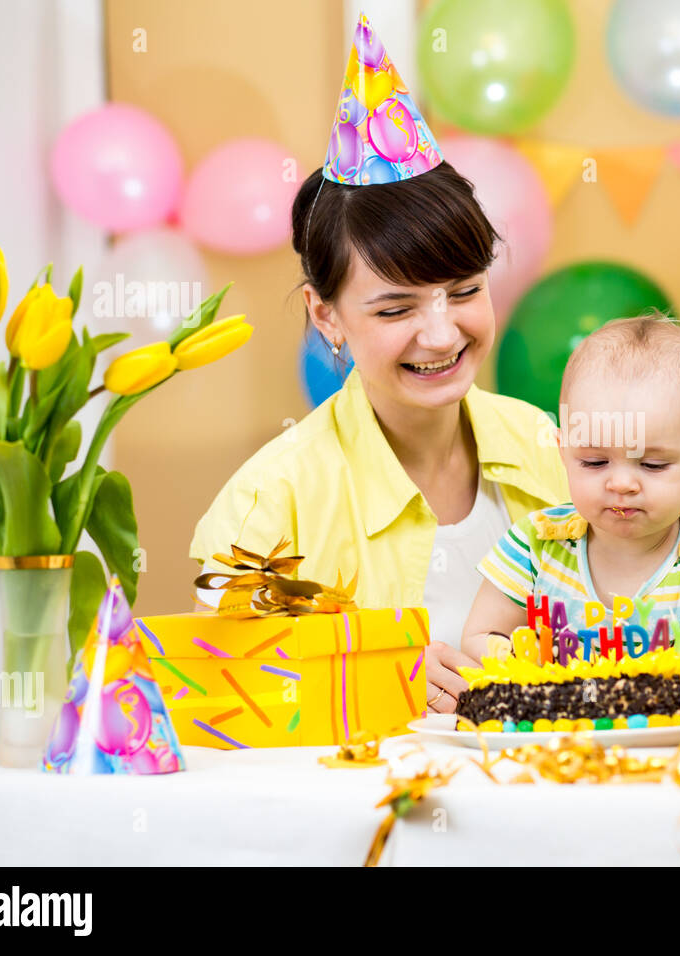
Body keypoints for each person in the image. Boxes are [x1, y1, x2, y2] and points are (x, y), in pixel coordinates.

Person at [189, 18, 566, 716]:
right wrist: (366, 677)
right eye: (395, 310)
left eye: (464, 291)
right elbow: (214, 692)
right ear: (326, 315)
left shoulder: (551, 451)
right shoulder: (270, 503)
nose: (441, 332)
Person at [460, 315, 680, 668]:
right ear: (563, 454)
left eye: (652, 465)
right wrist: (529, 665)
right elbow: (480, 637)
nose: (622, 484)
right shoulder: (535, 544)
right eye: (595, 462)